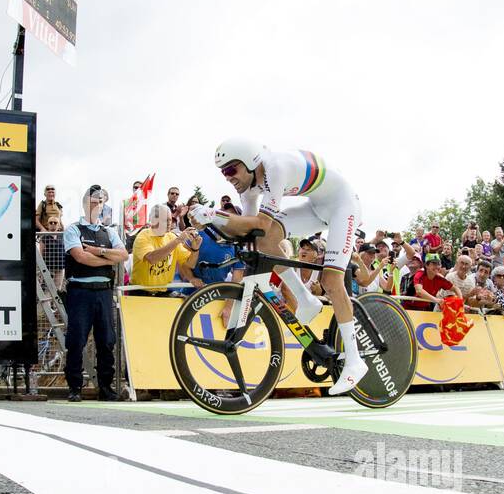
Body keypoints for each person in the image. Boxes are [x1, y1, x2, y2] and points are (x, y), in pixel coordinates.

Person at [190, 138, 366, 395]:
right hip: (315, 207)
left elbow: (257, 221)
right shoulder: (247, 186)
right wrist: (211, 222)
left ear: (250, 162)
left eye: (231, 169)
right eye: (223, 172)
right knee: (264, 240)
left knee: (330, 281)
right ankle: (304, 297)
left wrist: (215, 215)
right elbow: (253, 232)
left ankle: (354, 361)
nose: (228, 177)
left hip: (343, 206)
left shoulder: (275, 168)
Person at [62, 185, 127, 402]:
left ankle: (106, 388)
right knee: (76, 340)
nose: (97, 204)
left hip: (103, 292)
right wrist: (108, 258)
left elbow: (123, 255)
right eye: (93, 200)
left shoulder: (109, 231)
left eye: (101, 201)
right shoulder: (73, 229)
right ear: (85, 203)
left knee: (106, 341)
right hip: (80, 292)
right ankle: (75, 388)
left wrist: (98, 251)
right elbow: (80, 257)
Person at [131, 204, 198, 294]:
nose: (168, 223)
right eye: (164, 220)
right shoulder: (143, 236)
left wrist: (195, 249)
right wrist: (178, 240)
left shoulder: (171, 237)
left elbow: (190, 264)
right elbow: (152, 258)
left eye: (170, 219)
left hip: (163, 292)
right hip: (140, 292)